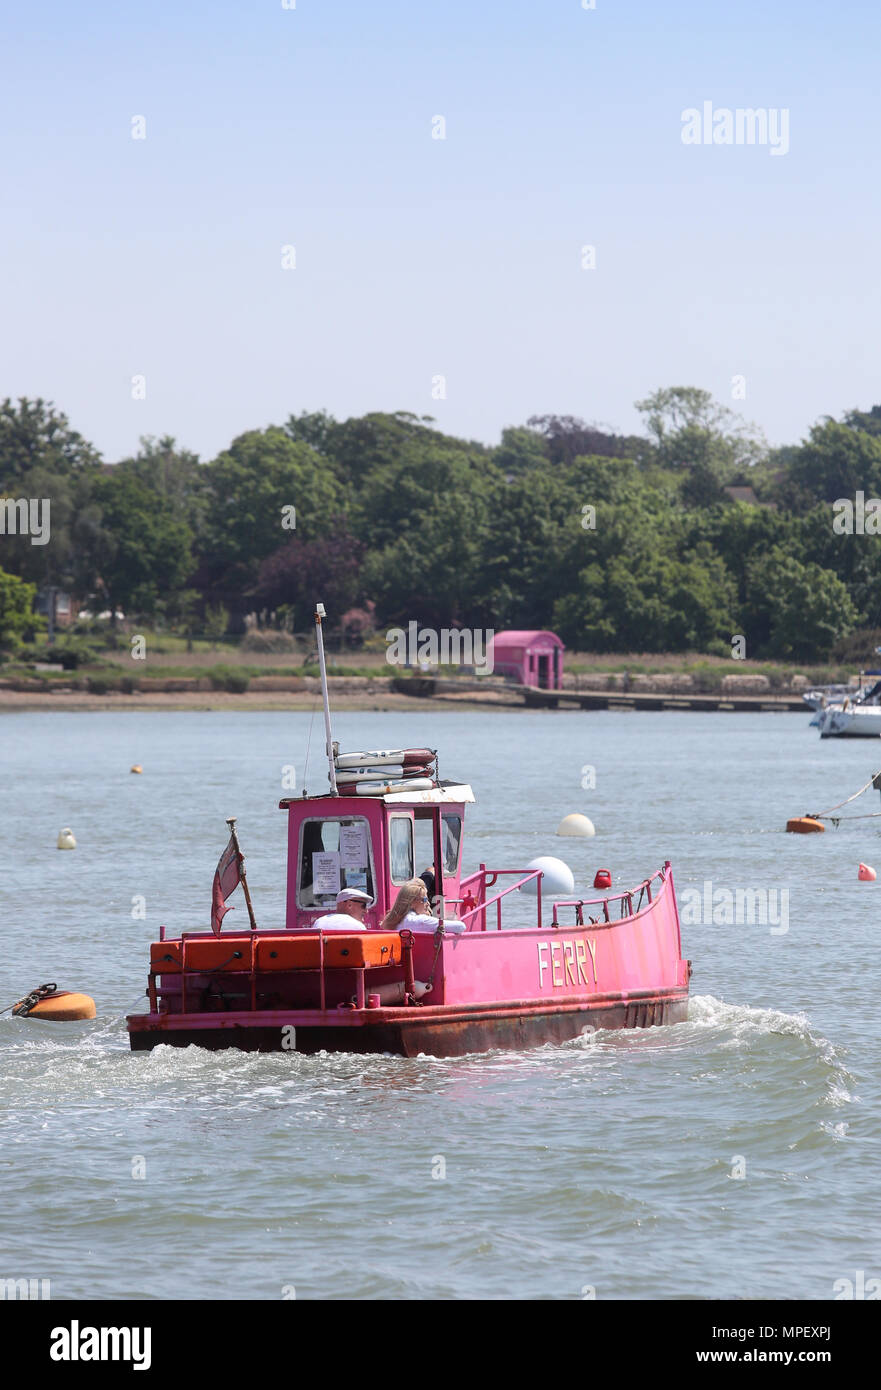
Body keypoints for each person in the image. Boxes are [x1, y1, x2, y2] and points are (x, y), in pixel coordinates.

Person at [380, 879, 466, 933]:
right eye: (424, 900)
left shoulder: (393, 922)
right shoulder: (421, 921)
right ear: (412, 902)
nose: (428, 903)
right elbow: (461, 926)